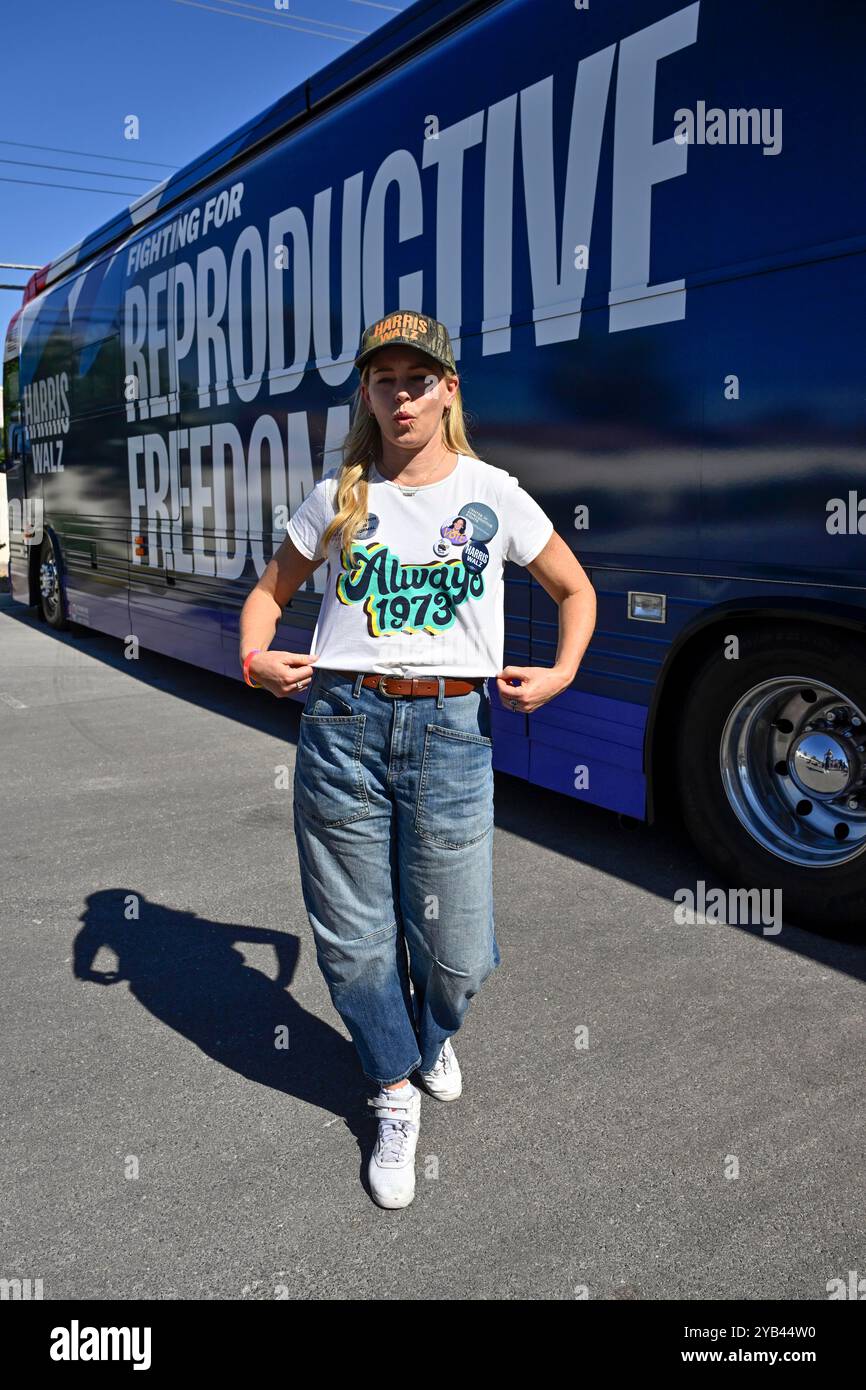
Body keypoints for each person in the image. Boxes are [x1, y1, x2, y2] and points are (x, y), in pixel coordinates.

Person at [239, 311, 596, 1209]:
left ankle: (432, 1036)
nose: (401, 395)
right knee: (356, 939)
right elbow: (267, 595)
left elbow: (574, 588)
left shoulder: (494, 493)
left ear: (448, 390)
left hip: (451, 733)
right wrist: (255, 655)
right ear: (366, 391)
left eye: (418, 379)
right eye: (384, 379)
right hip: (341, 726)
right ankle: (393, 1088)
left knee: (459, 951)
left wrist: (561, 672)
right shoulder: (338, 497)